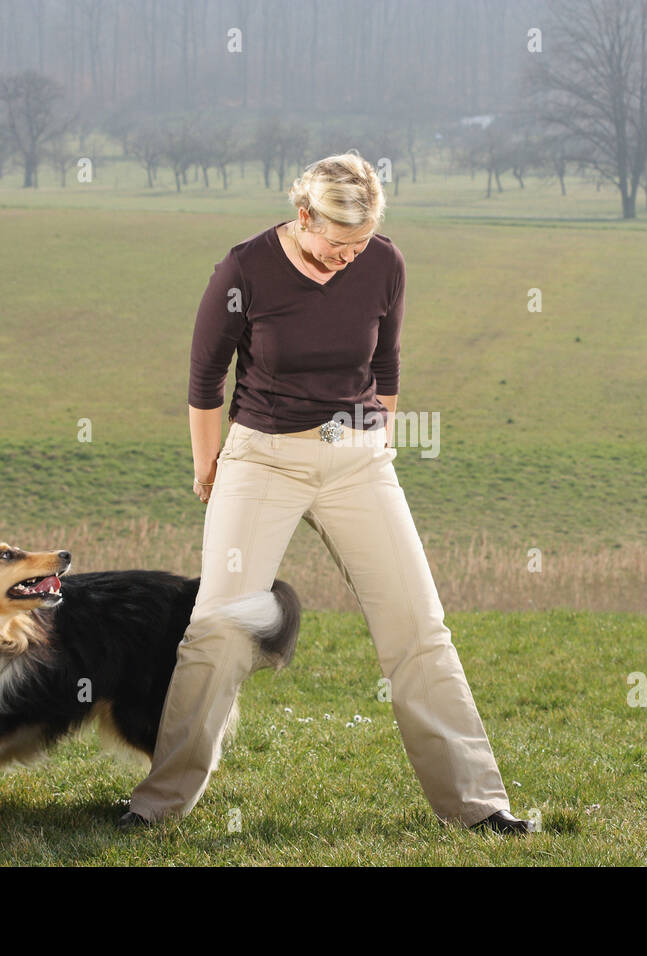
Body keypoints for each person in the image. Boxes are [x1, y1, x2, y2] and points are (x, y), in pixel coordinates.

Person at [121, 152, 530, 836]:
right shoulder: (245, 269)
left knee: (418, 628)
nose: (347, 258)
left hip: (357, 459)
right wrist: (206, 465)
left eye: (360, 245)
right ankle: (157, 804)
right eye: (335, 244)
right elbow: (204, 378)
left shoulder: (385, 265)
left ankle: (478, 805)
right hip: (263, 458)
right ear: (302, 215)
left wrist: (377, 445)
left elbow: (387, 362)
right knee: (219, 626)